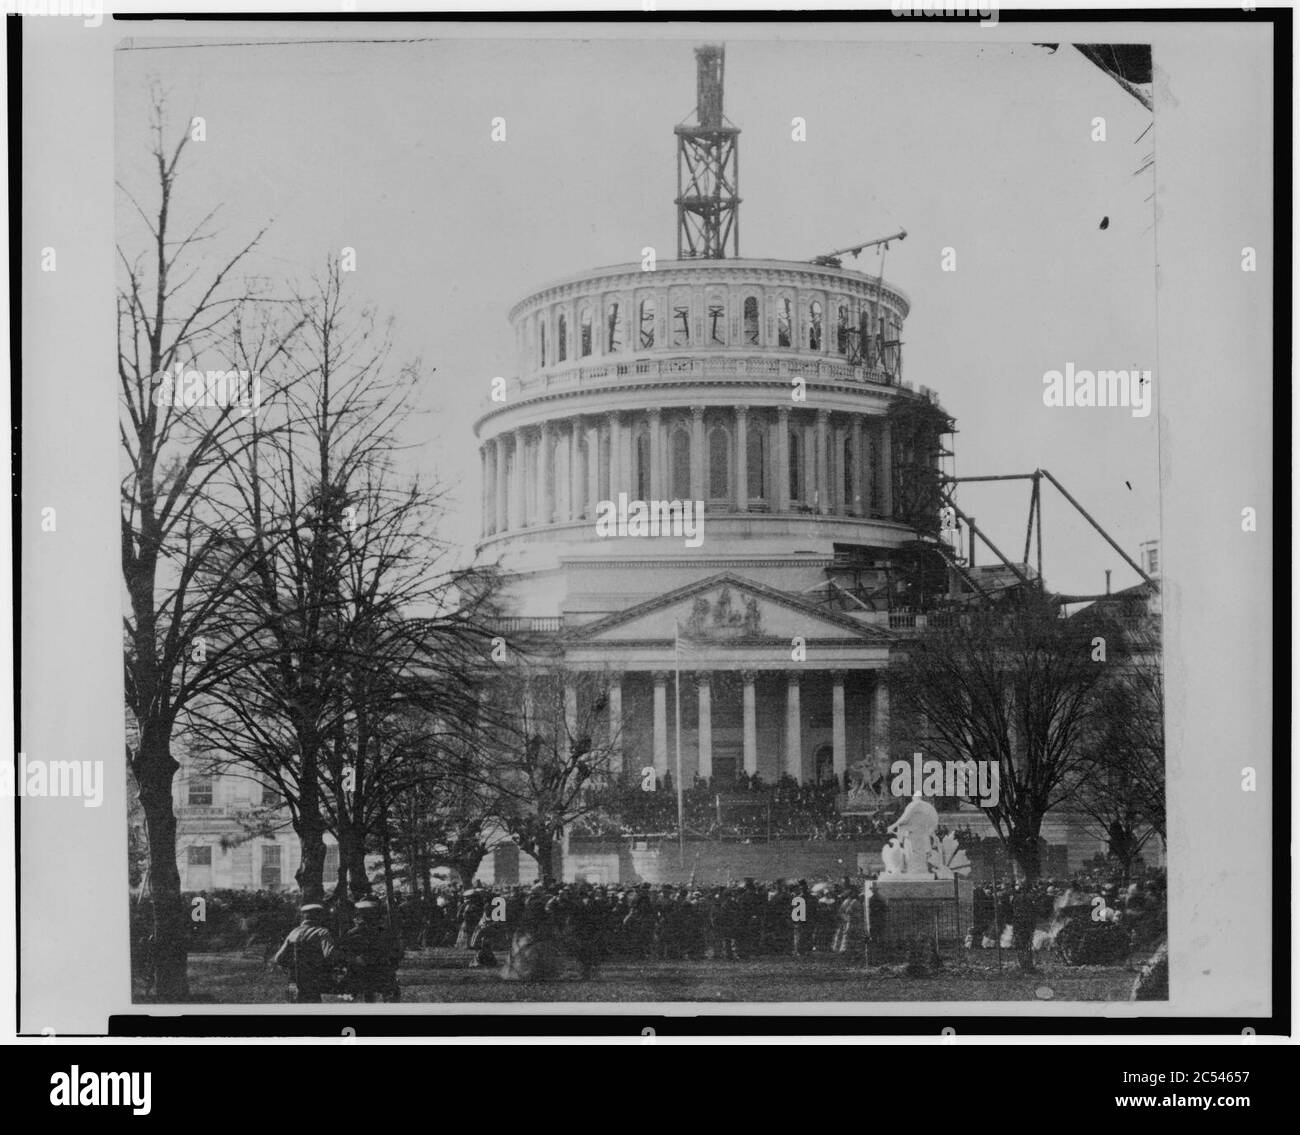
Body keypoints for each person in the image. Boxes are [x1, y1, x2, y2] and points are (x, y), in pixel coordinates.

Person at [337, 897, 403, 1002]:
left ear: (359, 915)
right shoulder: (386, 932)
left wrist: (355, 961)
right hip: (382, 973)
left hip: (359, 975)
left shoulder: (352, 933)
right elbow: (397, 953)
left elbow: (344, 954)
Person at [273, 903, 337, 1003]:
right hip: (313, 980)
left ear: (304, 916)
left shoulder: (294, 932)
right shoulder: (322, 932)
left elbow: (278, 958)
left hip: (294, 980)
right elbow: (330, 954)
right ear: (319, 916)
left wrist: (293, 964)